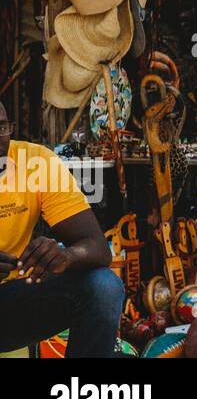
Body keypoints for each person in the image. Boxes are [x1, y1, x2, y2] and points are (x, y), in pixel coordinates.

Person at [0, 104, 124, 357]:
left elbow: (97, 247)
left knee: (103, 286)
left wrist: (66, 256)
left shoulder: (34, 163)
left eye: (1, 127)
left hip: (10, 301)